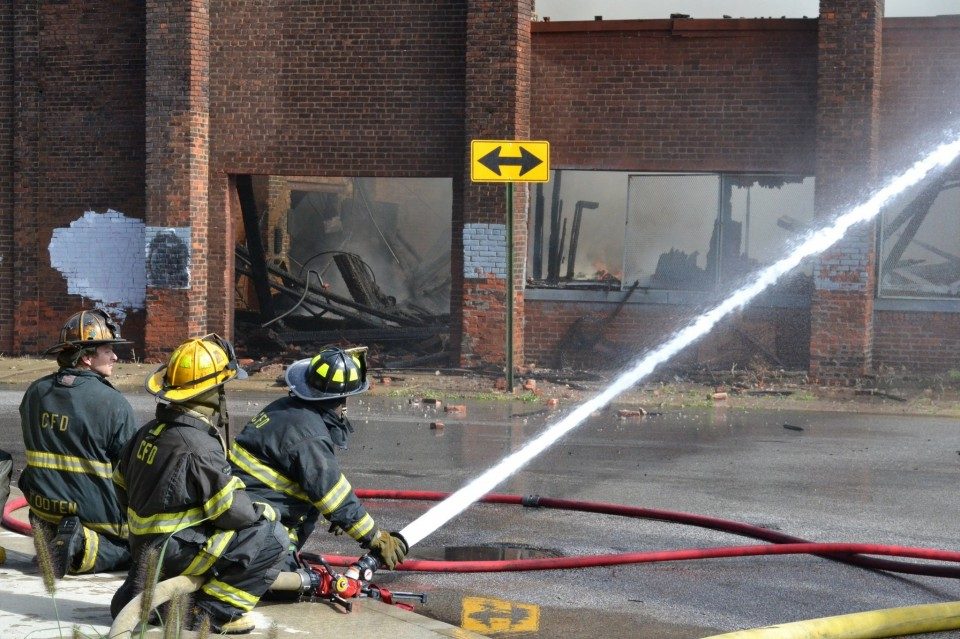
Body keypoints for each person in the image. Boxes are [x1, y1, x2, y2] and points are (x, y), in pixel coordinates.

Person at [110, 334, 286, 635]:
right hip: (175, 551)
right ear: (208, 393)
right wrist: (264, 512)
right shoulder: (197, 445)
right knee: (273, 538)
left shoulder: (148, 432)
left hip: (144, 551)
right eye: (221, 388)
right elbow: (233, 512)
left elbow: (120, 486)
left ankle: (156, 597)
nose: (223, 396)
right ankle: (211, 611)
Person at [228, 346, 407, 573]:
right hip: (256, 528)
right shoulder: (309, 434)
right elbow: (332, 492)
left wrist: (341, 516)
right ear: (340, 399)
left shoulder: (285, 408)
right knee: (292, 585)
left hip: (245, 514)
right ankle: (275, 571)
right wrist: (375, 537)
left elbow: (309, 479)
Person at [18, 309, 137, 577]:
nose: (115, 357)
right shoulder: (114, 404)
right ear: (86, 357)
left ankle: (57, 541)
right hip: (94, 518)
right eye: (108, 351)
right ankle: (81, 547)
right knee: (137, 550)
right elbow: (133, 472)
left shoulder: (35, 391)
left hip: (43, 512)